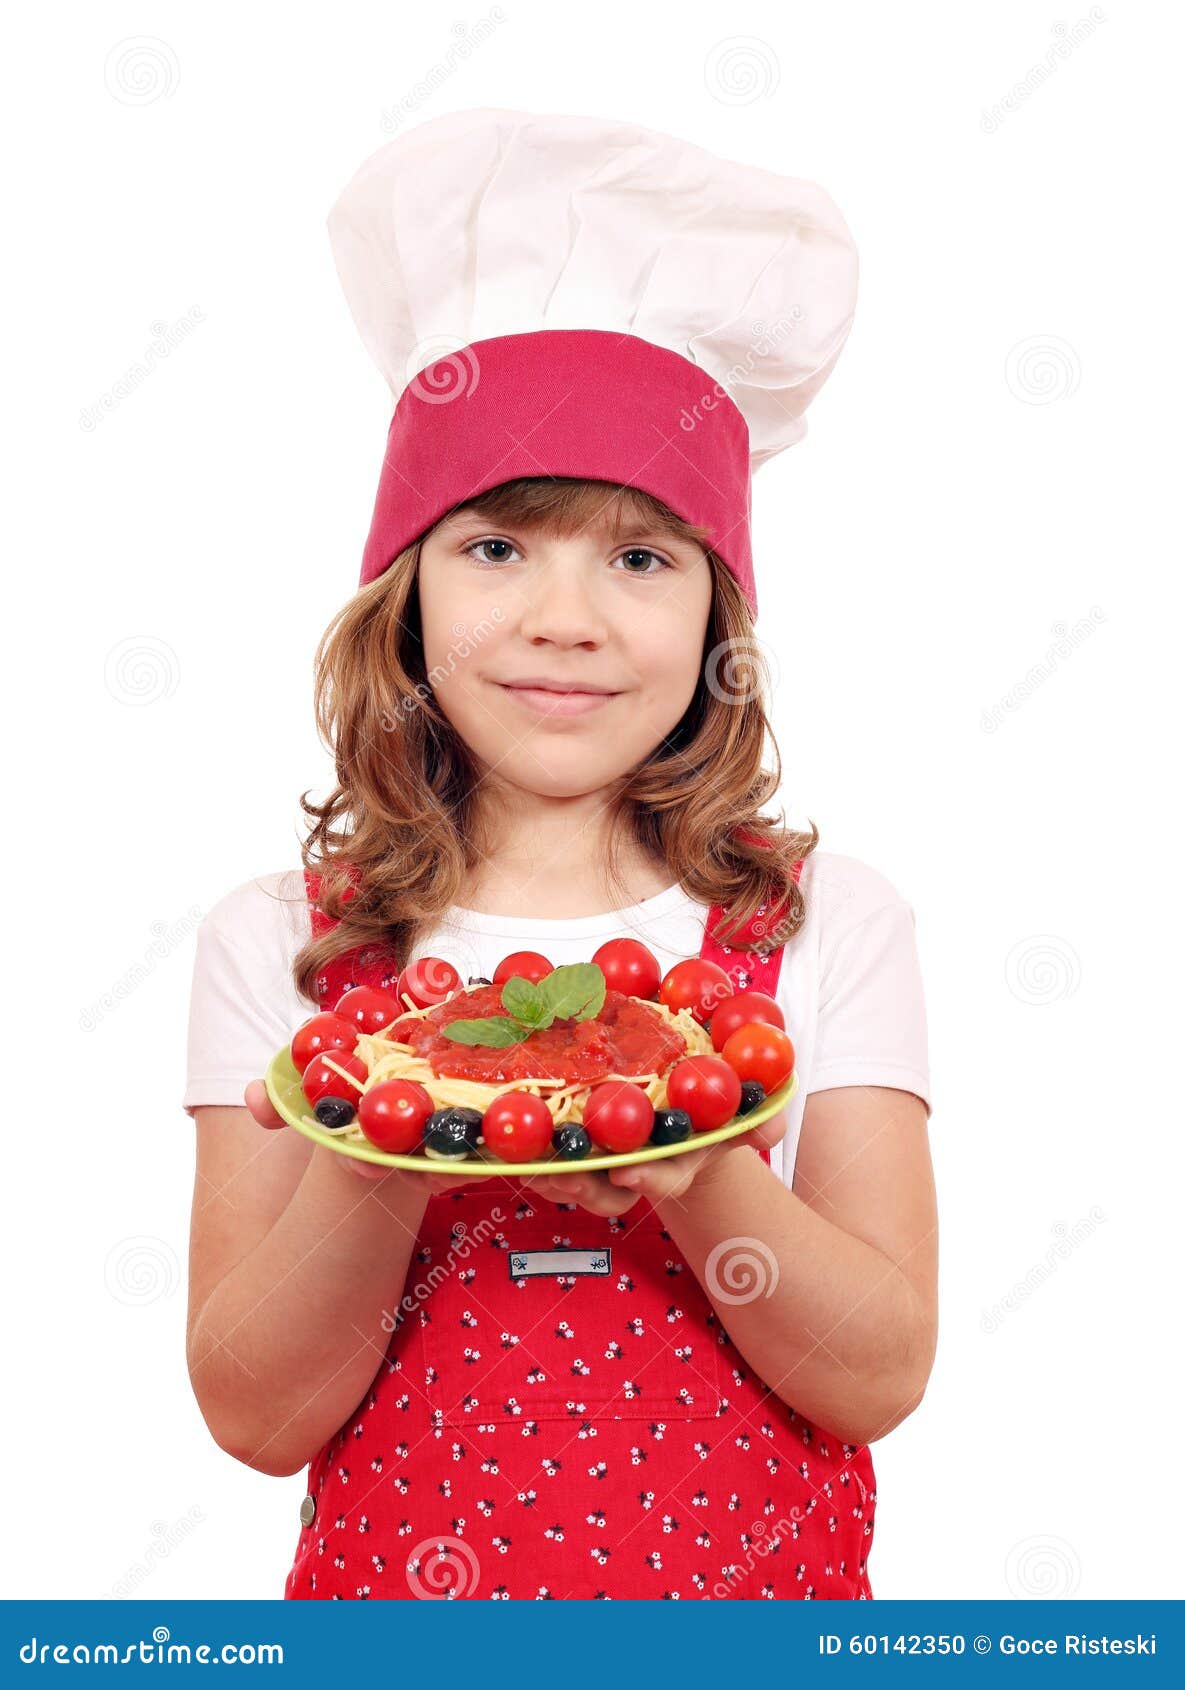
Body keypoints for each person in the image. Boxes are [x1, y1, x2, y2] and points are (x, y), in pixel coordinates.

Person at [182, 108, 936, 1601]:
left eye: (640, 556)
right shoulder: (284, 941)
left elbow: (878, 1374)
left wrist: (692, 1157)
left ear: (718, 619)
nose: (565, 619)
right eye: (496, 546)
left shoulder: (815, 923)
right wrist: (395, 1114)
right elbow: (257, 1414)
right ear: (400, 595)